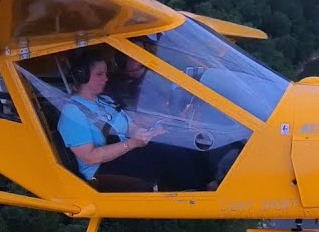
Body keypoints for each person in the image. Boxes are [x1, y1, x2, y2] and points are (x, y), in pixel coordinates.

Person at [58, 50, 209, 191]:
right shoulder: (73, 112)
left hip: (123, 153)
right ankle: (201, 192)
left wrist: (146, 133)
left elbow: (129, 125)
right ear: (82, 76)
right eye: (99, 74)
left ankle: (208, 182)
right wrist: (131, 144)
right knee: (167, 152)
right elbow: (90, 157)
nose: (106, 78)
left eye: (105, 73)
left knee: (176, 140)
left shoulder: (105, 100)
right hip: (101, 170)